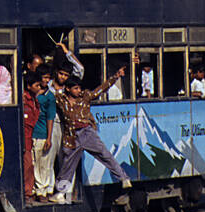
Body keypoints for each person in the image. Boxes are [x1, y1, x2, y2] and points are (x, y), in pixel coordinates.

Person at [53, 68, 131, 202]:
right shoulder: (61, 99)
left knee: (104, 154)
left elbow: (101, 89)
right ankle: (60, 192)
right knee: (68, 165)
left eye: (79, 88)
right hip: (71, 136)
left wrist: (115, 76)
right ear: (68, 89)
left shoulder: (86, 96)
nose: (78, 91)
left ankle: (123, 178)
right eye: (75, 89)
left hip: (87, 132)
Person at [32, 68, 60, 202]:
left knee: (45, 164)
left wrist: (49, 137)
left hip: (43, 133)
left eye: (48, 78)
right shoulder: (34, 94)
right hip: (33, 132)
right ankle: (42, 189)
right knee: (37, 163)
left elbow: (50, 118)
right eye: (44, 77)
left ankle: (44, 190)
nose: (46, 80)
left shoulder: (49, 97)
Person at [21, 76, 41, 202]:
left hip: (33, 136)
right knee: (27, 165)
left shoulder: (35, 100)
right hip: (26, 138)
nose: (39, 88)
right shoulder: (24, 100)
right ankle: (27, 192)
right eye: (37, 85)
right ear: (29, 86)